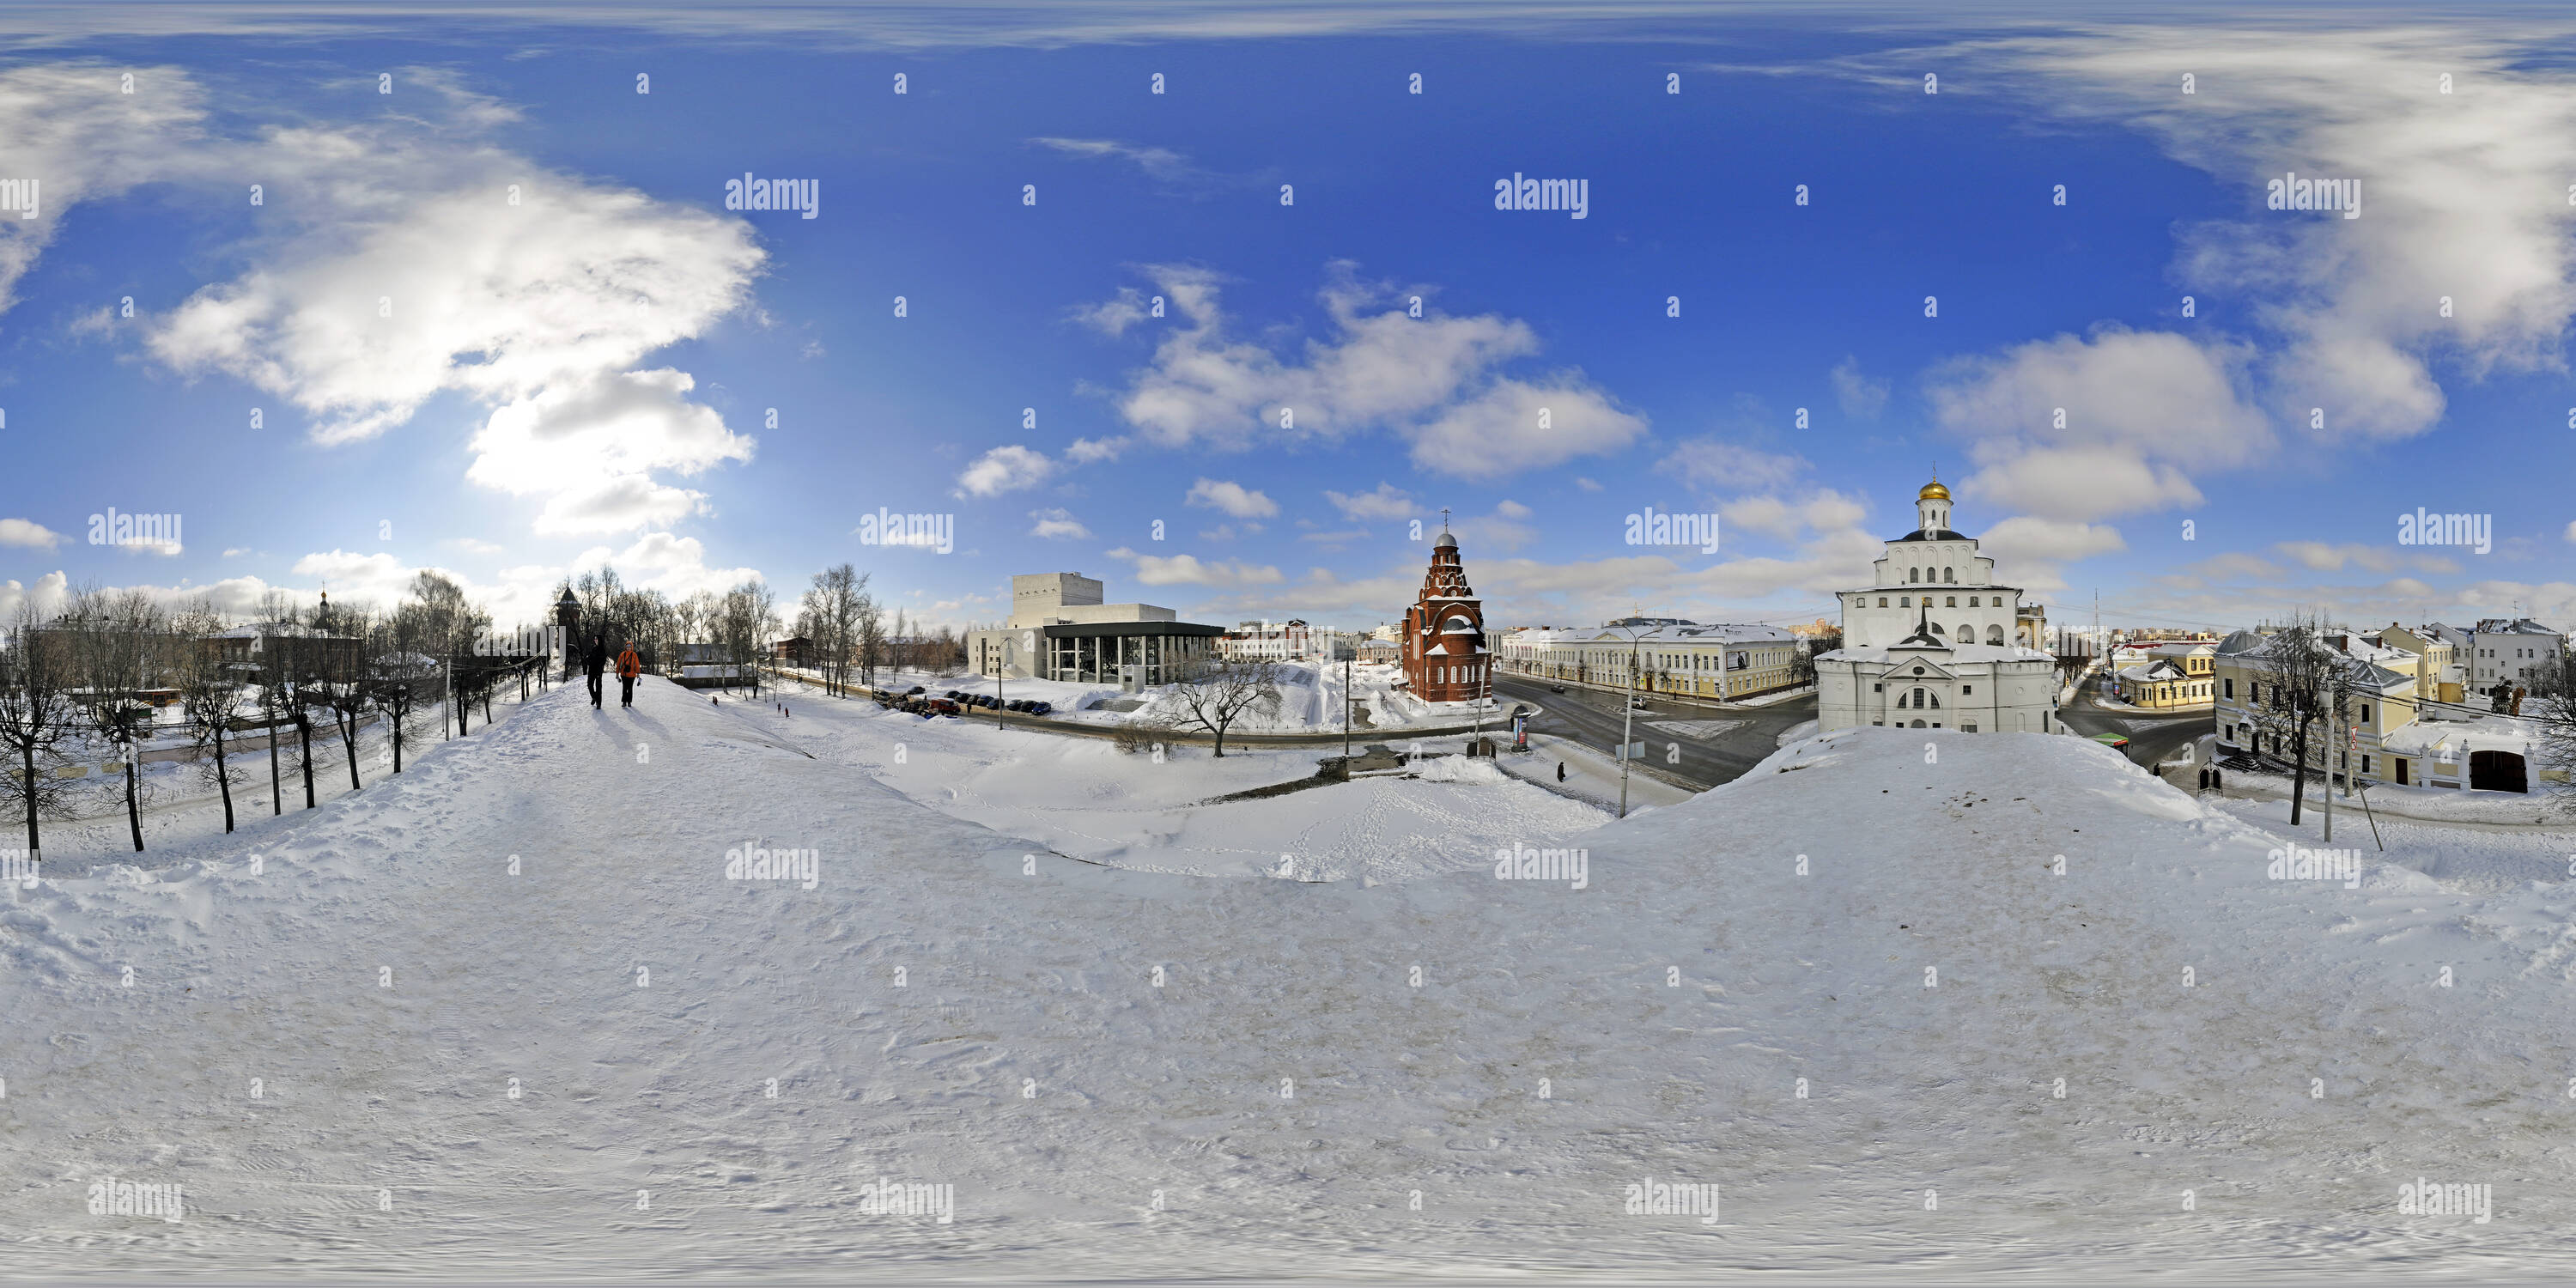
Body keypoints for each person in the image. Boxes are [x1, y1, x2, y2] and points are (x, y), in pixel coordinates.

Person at [584, 635, 608, 709]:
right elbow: (590, 659)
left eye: (596, 639)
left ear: (599, 640)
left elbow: (602, 663)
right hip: (591, 670)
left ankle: (598, 703)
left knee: (598, 687)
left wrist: (599, 673)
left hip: (598, 672)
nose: (595, 640)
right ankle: (594, 697)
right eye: (594, 639)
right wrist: (587, 659)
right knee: (589, 685)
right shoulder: (594, 648)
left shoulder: (602, 650)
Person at [617, 641, 642, 708]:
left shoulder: (634, 655)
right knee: (625, 688)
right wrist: (617, 673)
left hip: (632, 675)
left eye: (629, 647)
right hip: (624, 674)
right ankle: (624, 702)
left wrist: (638, 673)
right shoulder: (622, 654)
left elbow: (637, 664)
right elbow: (618, 663)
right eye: (627, 646)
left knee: (630, 688)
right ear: (625, 647)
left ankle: (629, 702)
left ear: (632, 647)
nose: (628, 648)